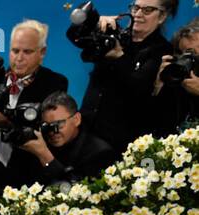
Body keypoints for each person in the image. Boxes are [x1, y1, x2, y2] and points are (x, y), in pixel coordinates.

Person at [0, 21, 69, 186]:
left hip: (27, 176)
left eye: (27, 52)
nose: (19, 58)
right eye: (15, 51)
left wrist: (5, 124)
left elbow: (40, 133)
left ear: (42, 53)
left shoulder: (55, 83)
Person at [81, 0, 176, 156]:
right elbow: (76, 38)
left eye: (147, 10)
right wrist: (94, 25)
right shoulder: (116, 36)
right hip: (85, 130)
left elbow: (140, 90)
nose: (138, 14)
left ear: (162, 16)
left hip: (119, 142)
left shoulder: (162, 51)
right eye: (136, 8)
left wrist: (119, 57)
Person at [18, 91, 118, 188]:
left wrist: (45, 156)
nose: (53, 131)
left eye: (59, 124)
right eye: (47, 126)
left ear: (76, 119)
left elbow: (74, 192)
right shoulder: (41, 142)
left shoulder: (99, 153)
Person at [152, 18, 199, 134]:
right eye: (188, 52)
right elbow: (153, 122)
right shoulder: (178, 79)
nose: (194, 57)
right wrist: (158, 86)